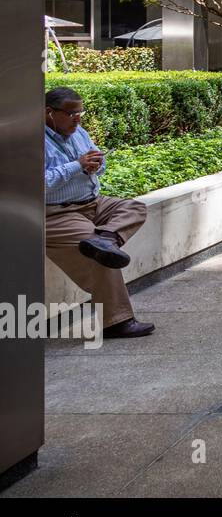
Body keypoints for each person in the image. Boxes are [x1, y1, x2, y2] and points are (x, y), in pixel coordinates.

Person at [44, 87, 154, 338]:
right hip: (56, 213)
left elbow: (98, 162)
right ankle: (117, 322)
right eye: (71, 113)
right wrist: (77, 166)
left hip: (93, 203)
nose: (77, 118)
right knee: (102, 258)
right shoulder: (33, 141)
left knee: (133, 207)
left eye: (80, 112)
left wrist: (96, 164)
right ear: (50, 112)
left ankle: (105, 239)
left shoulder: (78, 132)